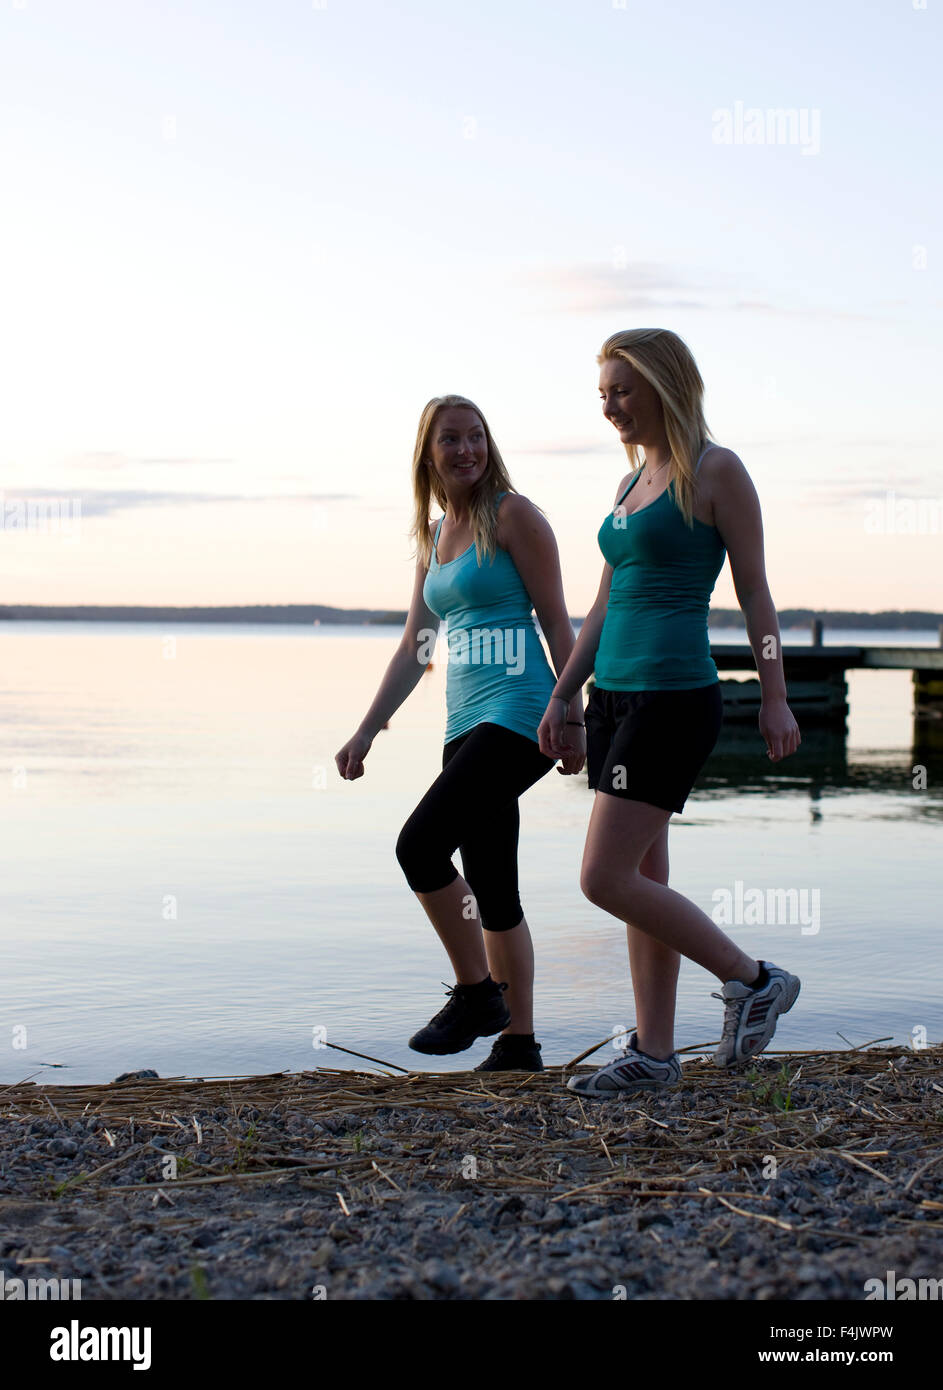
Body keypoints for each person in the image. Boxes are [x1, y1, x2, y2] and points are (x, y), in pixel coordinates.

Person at [537, 328, 801, 1097]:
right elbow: (601, 602)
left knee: (602, 876)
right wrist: (564, 693)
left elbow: (754, 591)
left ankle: (752, 979)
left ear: (662, 383)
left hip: (674, 694)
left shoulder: (715, 471)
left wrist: (775, 694)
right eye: (602, 395)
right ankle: (654, 1054)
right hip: (614, 695)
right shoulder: (629, 484)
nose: (610, 406)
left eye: (622, 389)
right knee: (642, 874)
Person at [335, 394, 585, 1071]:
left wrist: (572, 714)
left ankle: (477, 995)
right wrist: (367, 730)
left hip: (522, 710)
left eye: (476, 436)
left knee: (419, 846)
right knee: (493, 885)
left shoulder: (514, 515)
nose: (466, 450)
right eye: (451, 439)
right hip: (462, 719)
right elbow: (417, 644)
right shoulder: (435, 536)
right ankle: (519, 1044)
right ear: (428, 452)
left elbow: (559, 624)